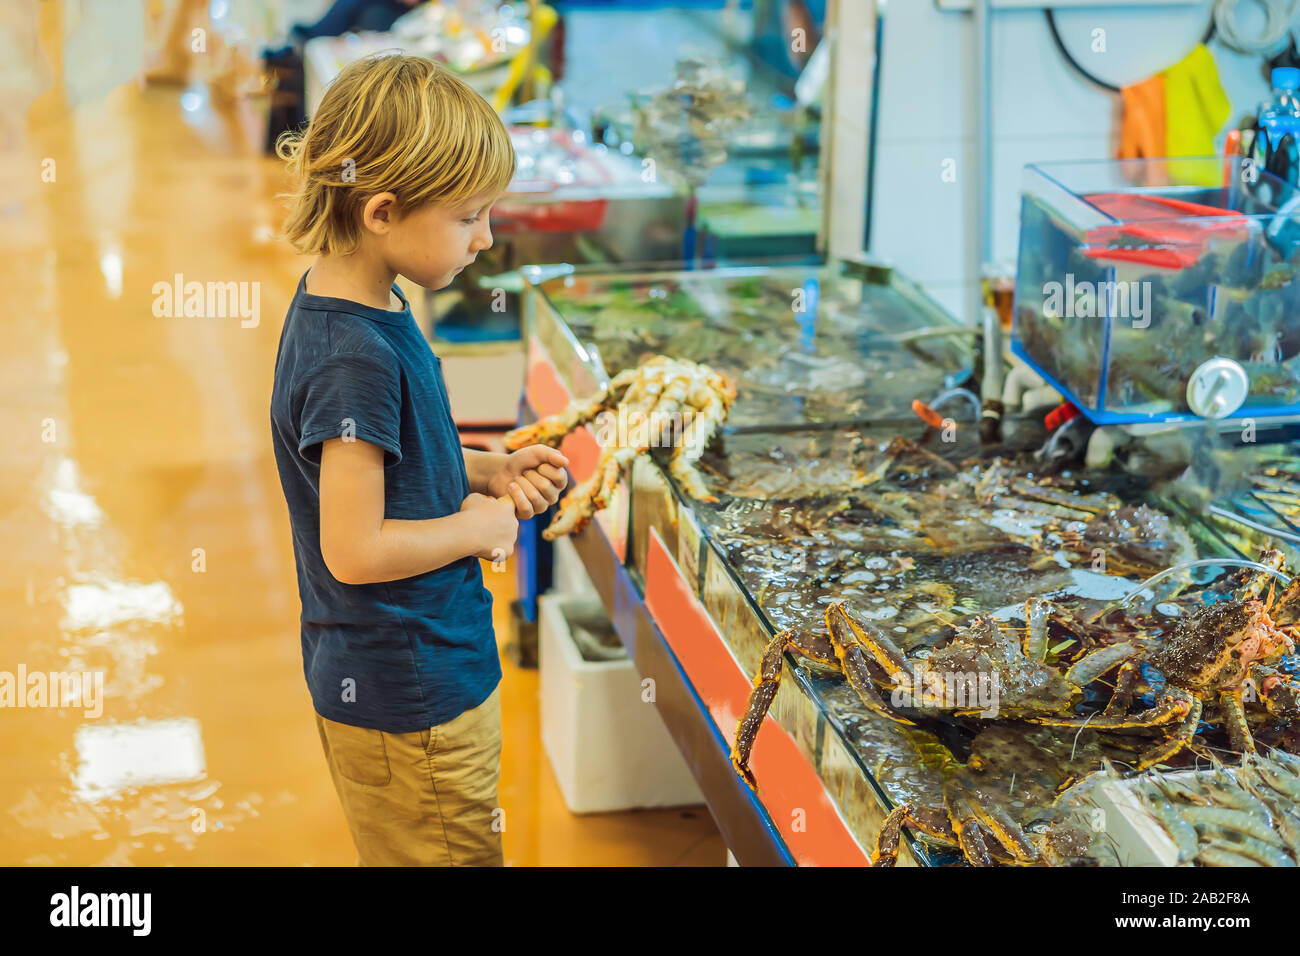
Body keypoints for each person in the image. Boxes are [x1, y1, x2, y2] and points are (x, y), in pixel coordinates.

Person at [270, 53, 567, 866]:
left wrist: (484, 471)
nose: (487, 237)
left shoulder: (356, 302)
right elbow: (356, 548)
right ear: (383, 210)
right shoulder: (353, 356)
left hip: (413, 671)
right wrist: (482, 527)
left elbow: (391, 462)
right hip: (409, 692)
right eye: (470, 216)